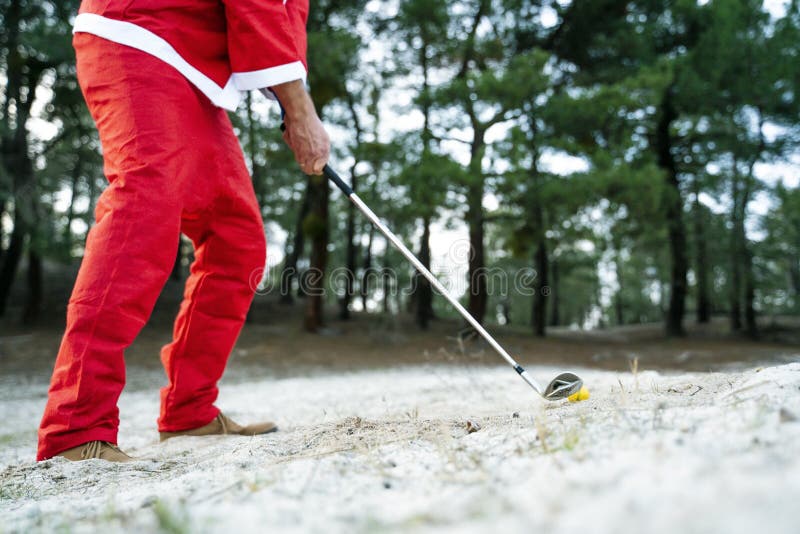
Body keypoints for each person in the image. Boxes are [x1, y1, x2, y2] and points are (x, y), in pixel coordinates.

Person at [36, 0, 330, 462]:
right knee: (144, 208)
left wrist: (291, 93)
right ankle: (75, 425)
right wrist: (299, 109)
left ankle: (189, 412)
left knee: (238, 238)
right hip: (137, 31)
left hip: (194, 68)